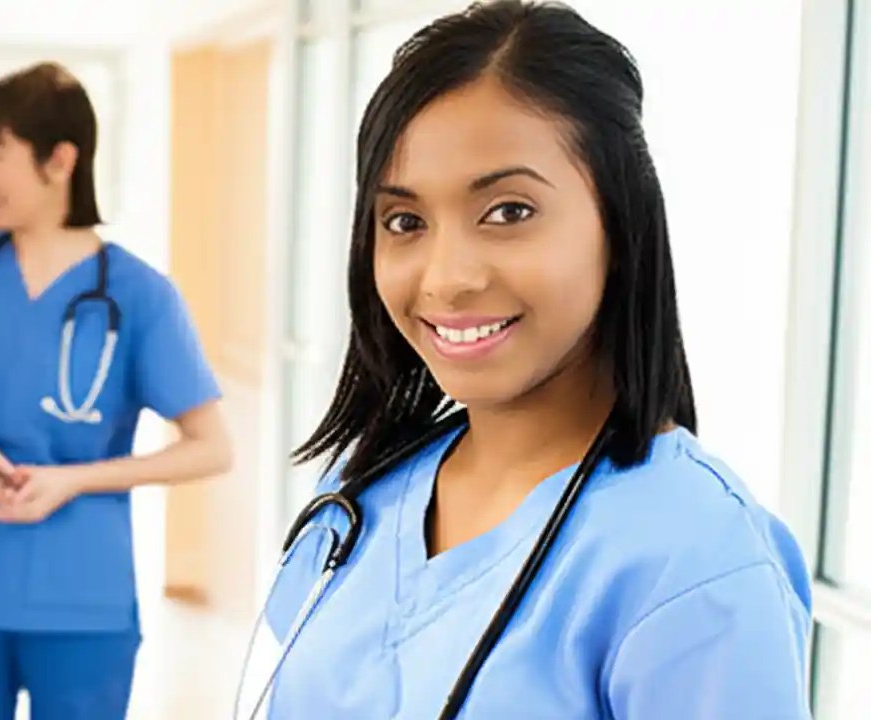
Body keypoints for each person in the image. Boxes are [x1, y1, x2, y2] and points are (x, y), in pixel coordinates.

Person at [246, 2, 813, 718]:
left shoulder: (696, 556)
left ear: (621, 221)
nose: (446, 277)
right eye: (405, 222)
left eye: (509, 211)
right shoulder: (364, 490)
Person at [0, 61, 232, 720]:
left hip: (81, 594)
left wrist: (76, 479)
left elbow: (211, 449)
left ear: (60, 160)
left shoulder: (139, 295)